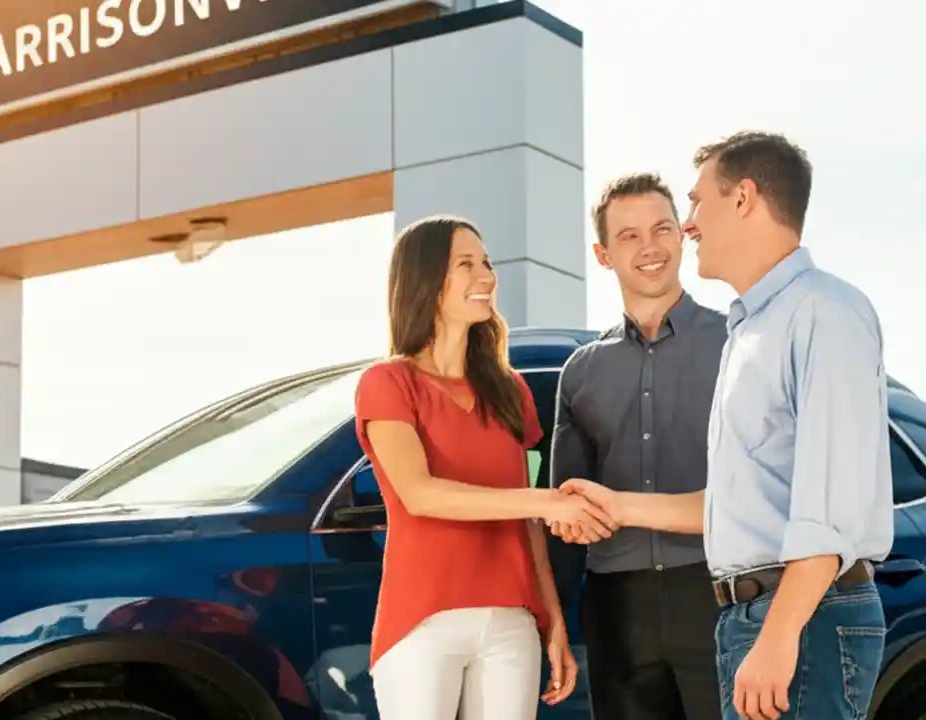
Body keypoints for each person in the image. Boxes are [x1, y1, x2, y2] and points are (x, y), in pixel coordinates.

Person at [558, 131, 893, 720]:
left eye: (694, 204)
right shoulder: (753, 330)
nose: (688, 225)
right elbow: (733, 503)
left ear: (742, 199)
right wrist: (616, 505)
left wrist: (780, 634)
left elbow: (830, 508)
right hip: (754, 616)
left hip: (799, 617)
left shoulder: (823, 312)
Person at [354, 214, 615, 719]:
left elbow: (529, 524)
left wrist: (552, 621)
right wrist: (544, 498)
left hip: (510, 622)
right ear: (426, 280)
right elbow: (421, 494)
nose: (487, 276)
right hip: (422, 622)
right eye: (466, 264)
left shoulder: (511, 391)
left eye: (487, 263)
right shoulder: (387, 384)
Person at [548, 172, 726, 720]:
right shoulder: (581, 372)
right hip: (616, 606)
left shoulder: (738, 343)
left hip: (719, 594)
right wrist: (555, 619)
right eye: (628, 236)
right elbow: (562, 508)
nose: (650, 247)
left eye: (662, 228)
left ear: (681, 235)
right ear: (603, 255)